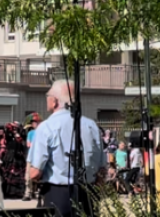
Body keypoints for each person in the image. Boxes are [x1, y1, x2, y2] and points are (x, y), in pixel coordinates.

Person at [28, 80, 107, 217]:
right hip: (87, 192)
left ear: (55, 101)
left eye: (48, 96)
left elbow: (35, 172)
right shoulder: (91, 125)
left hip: (57, 193)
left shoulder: (46, 127)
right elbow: (102, 169)